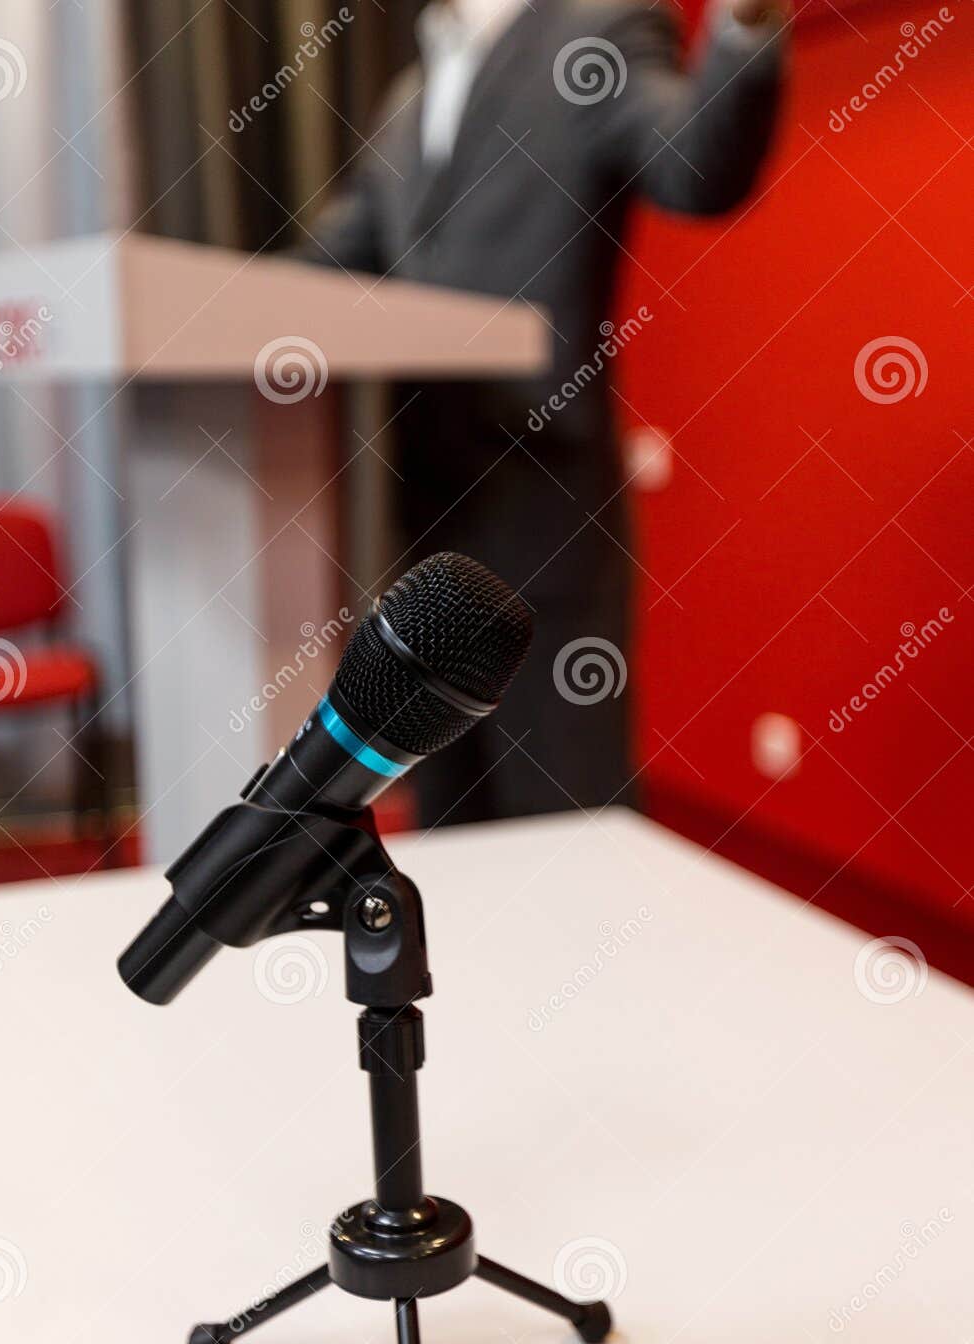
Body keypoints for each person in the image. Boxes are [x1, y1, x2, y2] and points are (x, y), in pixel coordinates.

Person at [310, 0, 790, 827]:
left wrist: (745, 24)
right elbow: (335, 259)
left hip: (542, 501)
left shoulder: (593, 32)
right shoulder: (406, 93)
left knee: (564, 815)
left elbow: (699, 167)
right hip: (420, 513)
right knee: (448, 818)